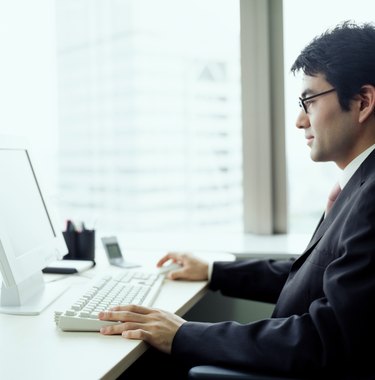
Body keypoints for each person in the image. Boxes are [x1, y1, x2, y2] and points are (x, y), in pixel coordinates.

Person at [99, 21, 375, 379]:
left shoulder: (370, 197)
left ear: (363, 102)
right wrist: (214, 271)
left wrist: (184, 333)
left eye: (309, 101)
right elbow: (311, 272)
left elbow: (327, 338)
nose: (298, 120)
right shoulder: (358, 185)